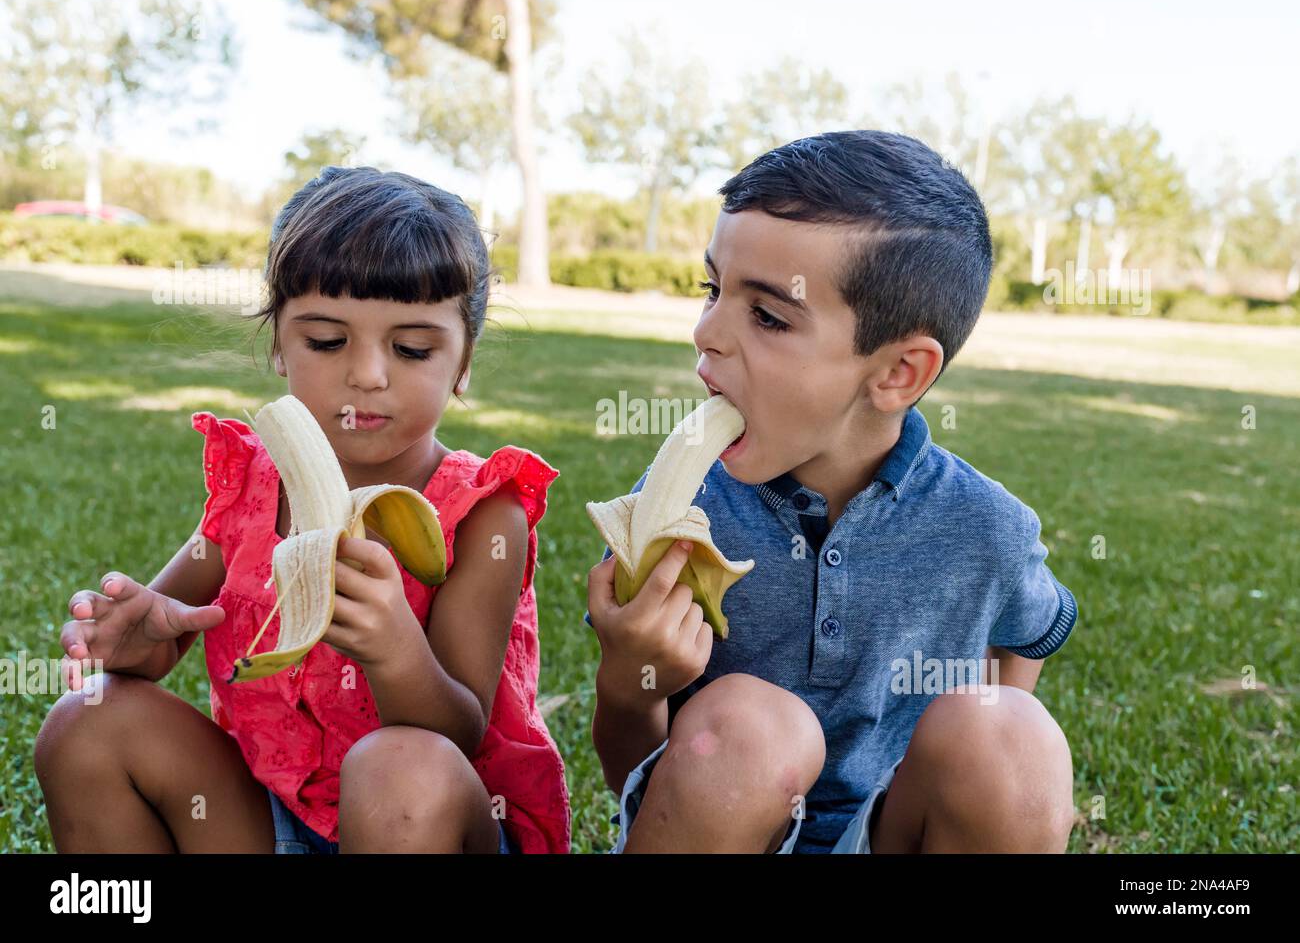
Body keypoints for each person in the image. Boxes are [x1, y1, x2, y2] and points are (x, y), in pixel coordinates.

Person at [36, 166, 569, 854]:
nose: (369, 373)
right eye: (326, 340)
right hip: (272, 817)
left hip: (423, 818)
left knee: (398, 768)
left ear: (463, 362)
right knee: (87, 718)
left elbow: (457, 733)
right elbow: (164, 629)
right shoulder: (253, 487)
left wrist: (395, 648)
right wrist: (136, 641)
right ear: (278, 348)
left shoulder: (482, 516)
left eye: (412, 348)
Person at [586, 131, 1078, 853]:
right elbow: (632, 772)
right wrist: (631, 679)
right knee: (751, 724)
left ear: (898, 373)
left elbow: (1018, 650)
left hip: (884, 830)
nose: (706, 333)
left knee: (1012, 732)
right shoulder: (686, 517)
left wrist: (977, 767)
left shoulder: (986, 528)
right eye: (712, 289)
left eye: (767, 316)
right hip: (717, 820)